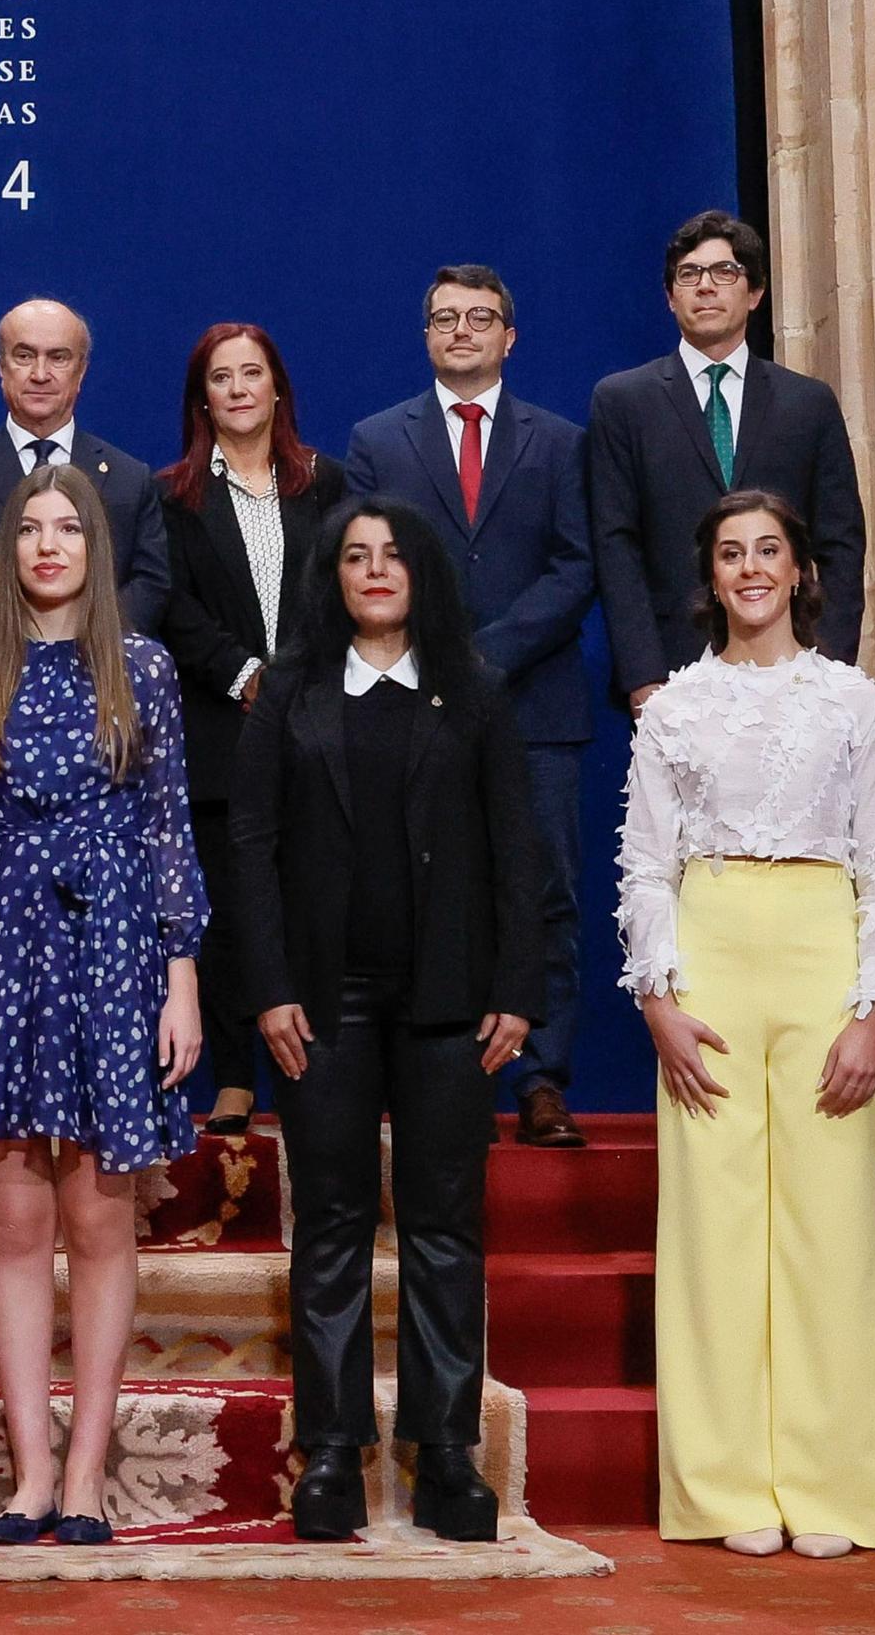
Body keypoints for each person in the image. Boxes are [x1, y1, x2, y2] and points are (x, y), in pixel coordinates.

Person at [218, 499, 540, 1545]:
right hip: (322, 1000)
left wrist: (515, 985)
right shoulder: (289, 692)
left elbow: (515, 853)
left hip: (450, 1000)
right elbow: (252, 850)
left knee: (445, 1225)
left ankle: (444, 1453)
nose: (373, 569)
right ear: (331, 576)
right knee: (333, 1223)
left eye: (392, 553)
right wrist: (267, 987)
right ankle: (331, 1453)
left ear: (421, 571)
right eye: (354, 555)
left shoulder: (476, 690)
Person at [0, 462, 207, 1547]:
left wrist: (182, 975)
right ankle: (29, 1474)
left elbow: (169, 825)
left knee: (98, 1214)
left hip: (115, 947)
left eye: (65, 527)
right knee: (18, 1217)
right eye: (27, 527)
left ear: (93, 545)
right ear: (7, 549)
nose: (46, 544)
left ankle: (87, 1473)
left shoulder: (143, 668)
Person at [616, 489, 875, 1560]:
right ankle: (723, 1484)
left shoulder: (856, 704)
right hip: (711, 952)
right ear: (711, 576)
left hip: (821, 949)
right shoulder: (674, 709)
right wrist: (659, 998)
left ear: (798, 571)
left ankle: (834, 1484)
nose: (750, 567)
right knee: (714, 1226)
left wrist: (873, 1010)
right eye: (731, 552)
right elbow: (646, 865)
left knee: (830, 1225)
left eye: (768, 550)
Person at [340, 266, 599, 1149]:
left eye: (479, 317)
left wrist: (486, 657)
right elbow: (368, 562)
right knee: (428, 891)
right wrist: (444, 658)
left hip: (537, 706)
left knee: (547, 891)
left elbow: (577, 565)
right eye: (444, 318)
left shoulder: (563, 442)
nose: (462, 331)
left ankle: (543, 1082)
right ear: (426, 336)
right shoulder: (377, 442)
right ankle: (447, 1078)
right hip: (415, 704)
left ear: (509, 335)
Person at [157, 322, 343, 1132]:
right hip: (221, 727)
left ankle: (321, 1067)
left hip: (317, 723)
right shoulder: (174, 497)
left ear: (277, 389)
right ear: (204, 397)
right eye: (221, 377)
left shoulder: (325, 483)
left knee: (317, 898)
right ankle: (234, 1075)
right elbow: (171, 606)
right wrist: (244, 674)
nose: (237, 388)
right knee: (231, 908)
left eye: (251, 373)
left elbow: (349, 584)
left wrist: (297, 676)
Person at [588, 209, 867, 711]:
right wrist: (642, 677)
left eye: (725, 272)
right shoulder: (623, 401)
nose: (706, 287)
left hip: (796, 670)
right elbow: (615, 546)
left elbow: (841, 542)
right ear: (671, 297)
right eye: (689, 275)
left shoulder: (808, 403)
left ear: (755, 293)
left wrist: (829, 664)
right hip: (673, 675)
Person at [0, 298, 175, 651]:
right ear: (1, 367)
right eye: (24, 356)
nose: (40, 374)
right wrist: (29, 635)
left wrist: (83, 638)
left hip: (103, 672)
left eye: (58, 357)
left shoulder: (129, 478)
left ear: (81, 370)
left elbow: (151, 582)